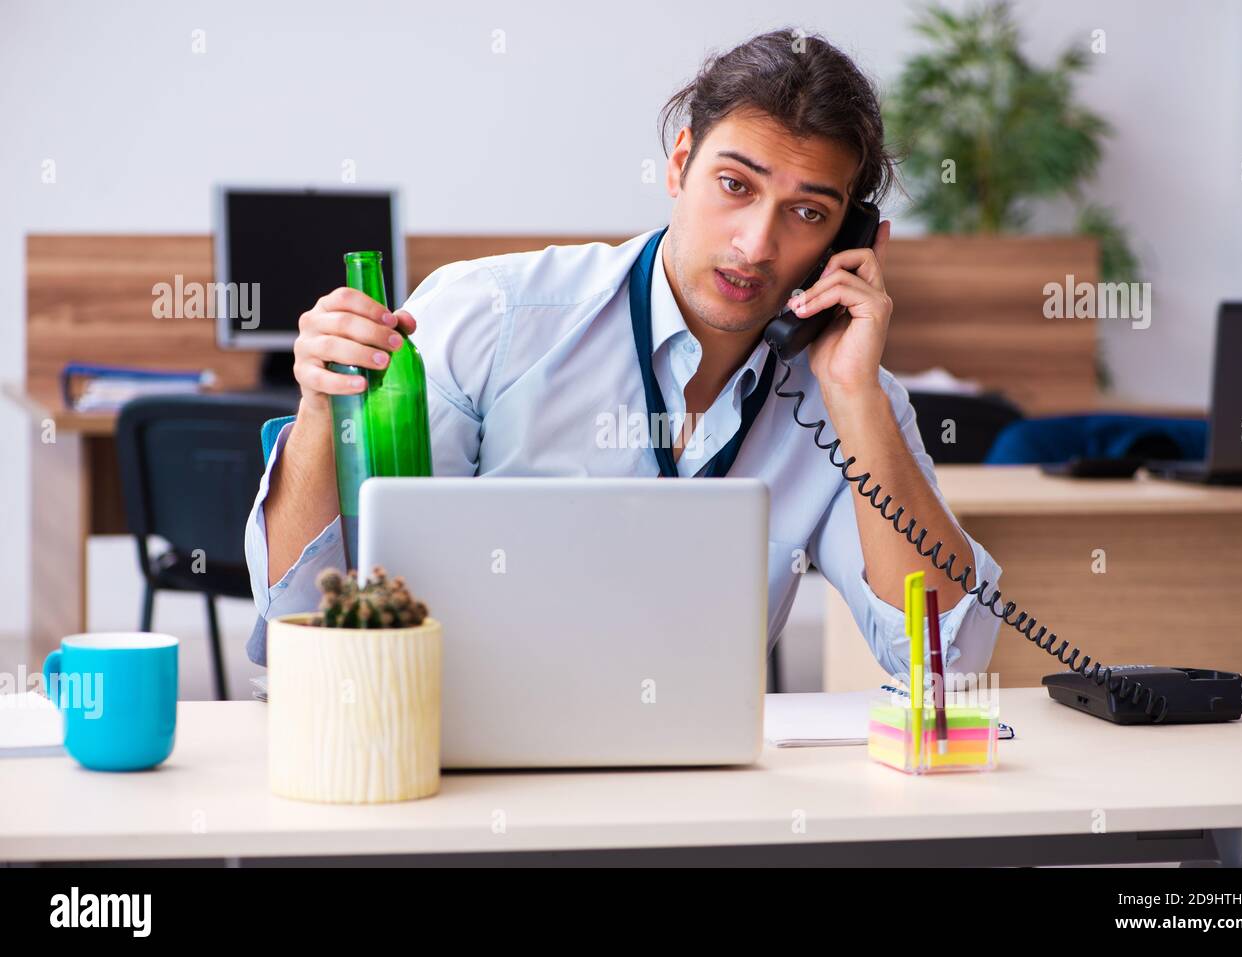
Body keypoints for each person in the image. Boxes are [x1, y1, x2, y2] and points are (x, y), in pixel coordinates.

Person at [244, 29, 1003, 677]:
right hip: (462, 775)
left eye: (808, 211)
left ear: (852, 240)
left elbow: (945, 658)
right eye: (735, 184)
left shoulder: (849, 403)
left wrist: (855, 400)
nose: (757, 243)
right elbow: (304, 618)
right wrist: (319, 412)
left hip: (699, 796)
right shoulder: (491, 319)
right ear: (678, 166)